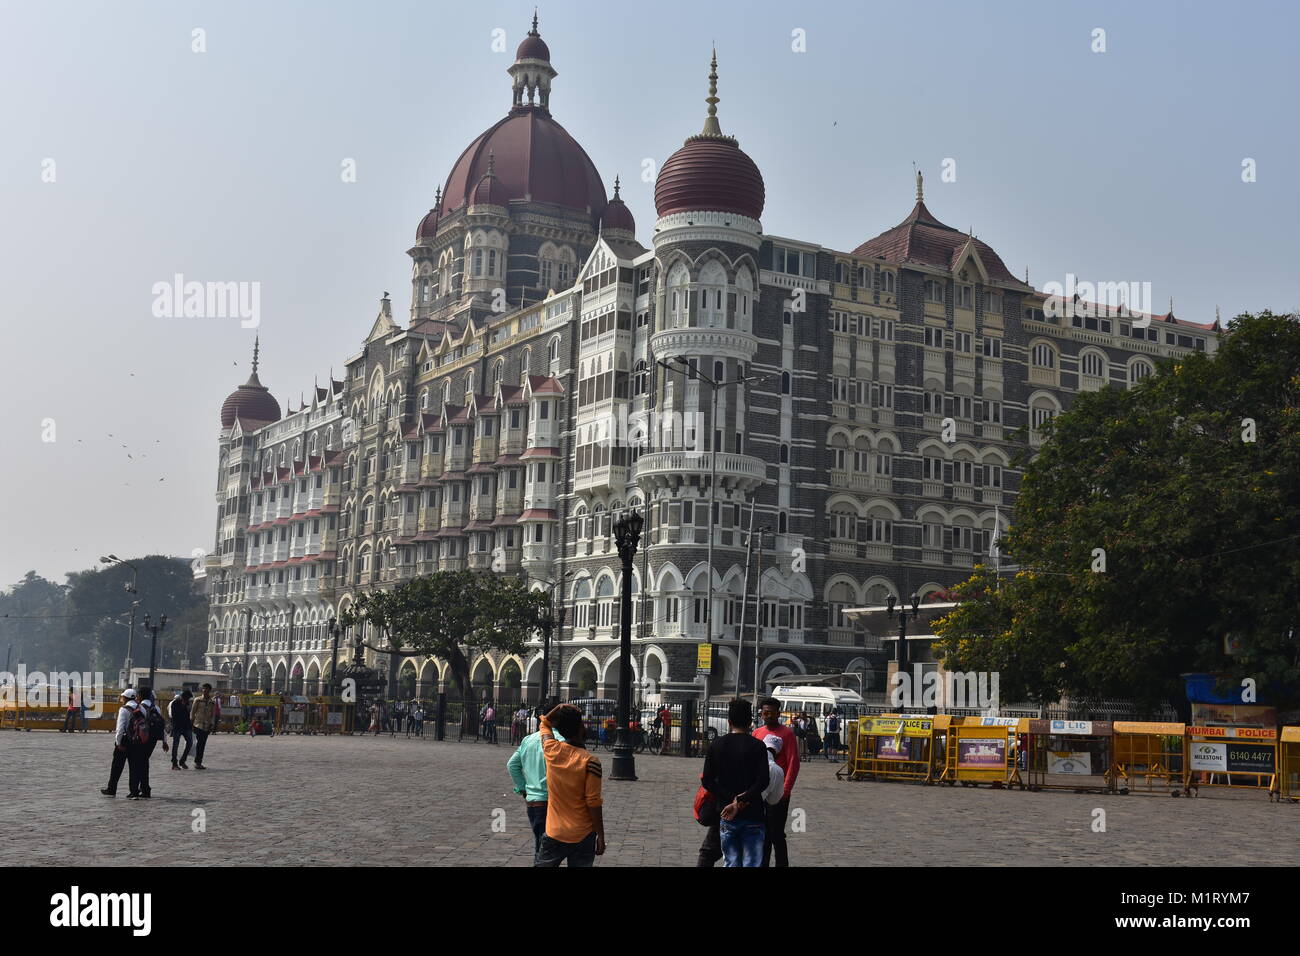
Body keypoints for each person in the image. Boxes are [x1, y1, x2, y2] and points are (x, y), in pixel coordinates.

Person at [701, 699, 770, 867]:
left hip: (726, 811)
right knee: (752, 862)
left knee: (731, 861)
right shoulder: (758, 746)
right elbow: (763, 781)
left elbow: (708, 781)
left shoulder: (716, 746)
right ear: (750, 722)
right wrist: (741, 799)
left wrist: (731, 799)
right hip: (753, 811)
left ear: (729, 721)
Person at [535, 704, 605, 866]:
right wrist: (600, 835)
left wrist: (559, 707)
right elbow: (593, 802)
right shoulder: (590, 761)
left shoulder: (552, 750)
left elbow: (544, 723)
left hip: (554, 831)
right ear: (581, 727)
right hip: (583, 834)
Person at [506, 718, 565, 863]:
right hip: (550, 803)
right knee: (546, 854)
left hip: (532, 803)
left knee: (540, 847)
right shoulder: (560, 741)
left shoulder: (528, 739)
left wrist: (524, 789)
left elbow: (512, 765)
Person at [753, 697, 800, 867]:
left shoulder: (787, 734)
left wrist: (785, 791)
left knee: (777, 834)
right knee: (761, 833)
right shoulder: (757, 733)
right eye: (766, 713)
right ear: (761, 714)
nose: (769, 716)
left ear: (778, 714)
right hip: (759, 792)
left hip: (779, 792)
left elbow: (793, 763)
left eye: (772, 713)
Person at [101, 689, 140, 797]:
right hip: (136, 741)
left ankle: (111, 789)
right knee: (134, 767)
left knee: (117, 767)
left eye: (123, 697)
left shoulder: (124, 709)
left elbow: (120, 728)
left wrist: (118, 743)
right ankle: (134, 791)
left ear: (126, 698)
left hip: (124, 740)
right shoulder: (140, 708)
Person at [137, 689, 168, 797]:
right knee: (144, 761)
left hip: (142, 739)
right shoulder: (156, 708)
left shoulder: (139, 707)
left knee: (141, 763)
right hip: (153, 739)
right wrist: (164, 741)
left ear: (140, 696)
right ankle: (144, 787)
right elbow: (162, 725)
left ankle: (145, 788)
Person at [190, 683, 218, 769]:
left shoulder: (212, 702)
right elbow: (192, 712)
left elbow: (213, 715)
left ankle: (198, 762)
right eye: (203, 689)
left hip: (206, 726)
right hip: (197, 725)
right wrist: (191, 724)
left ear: (209, 690)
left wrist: (212, 725)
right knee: (196, 744)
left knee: (202, 745)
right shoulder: (197, 700)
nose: (205, 690)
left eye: (206, 689)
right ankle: (189, 760)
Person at [170, 690, 194, 769]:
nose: (188, 700)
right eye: (187, 699)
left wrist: (188, 707)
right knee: (175, 745)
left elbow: (191, 715)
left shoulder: (188, 704)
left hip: (187, 727)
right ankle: (174, 763)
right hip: (177, 727)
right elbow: (174, 715)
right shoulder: (175, 703)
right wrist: (183, 707)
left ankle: (182, 760)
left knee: (190, 743)